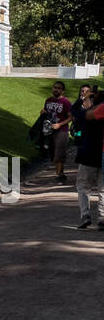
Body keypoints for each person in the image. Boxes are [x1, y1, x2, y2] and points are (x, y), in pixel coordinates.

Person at [72, 87, 104, 228]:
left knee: (83, 186)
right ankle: (102, 217)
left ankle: (85, 214)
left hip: (88, 154)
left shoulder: (87, 114)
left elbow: (76, 116)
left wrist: (83, 99)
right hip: (101, 154)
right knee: (103, 188)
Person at [40, 79, 73, 185]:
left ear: (62, 91)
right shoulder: (48, 100)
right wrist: (43, 112)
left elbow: (70, 117)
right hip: (49, 131)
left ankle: (59, 176)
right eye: (55, 87)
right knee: (53, 153)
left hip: (61, 131)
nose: (56, 89)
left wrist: (60, 124)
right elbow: (47, 114)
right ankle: (61, 174)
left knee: (59, 154)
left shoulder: (66, 102)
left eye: (59, 88)